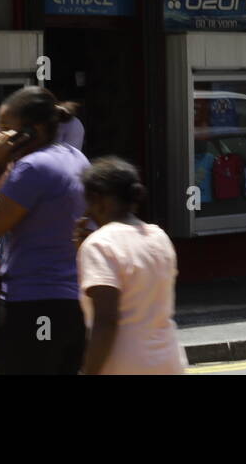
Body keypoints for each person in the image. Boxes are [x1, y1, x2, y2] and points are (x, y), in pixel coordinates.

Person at [0, 88, 90, 375]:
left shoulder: (32, 168)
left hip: (34, 304)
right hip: (72, 303)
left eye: (5, 128)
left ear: (32, 130)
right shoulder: (75, 157)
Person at [75, 158, 187, 375]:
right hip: (168, 362)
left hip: (123, 365)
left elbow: (106, 320)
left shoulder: (99, 245)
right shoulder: (158, 236)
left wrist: (89, 372)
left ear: (97, 200)